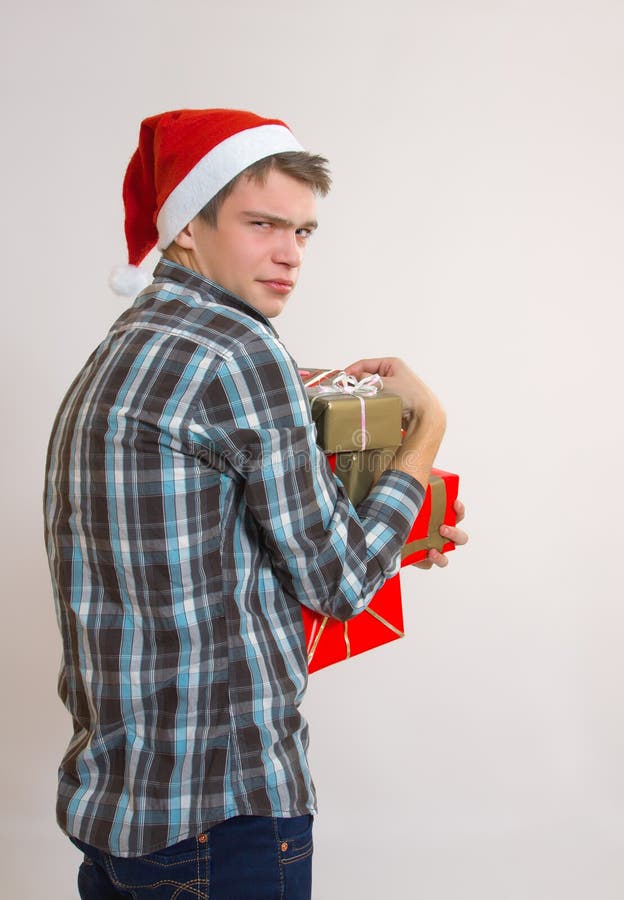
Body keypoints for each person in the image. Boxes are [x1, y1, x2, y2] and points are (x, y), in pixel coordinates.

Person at [44, 108, 467, 900]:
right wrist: (427, 436)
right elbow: (340, 584)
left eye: (303, 232)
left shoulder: (132, 342)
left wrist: (406, 526)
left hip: (118, 813)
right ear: (185, 232)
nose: (288, 254)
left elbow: (231, 537)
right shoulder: (239, 354)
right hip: (219, 817)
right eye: (261, 223)